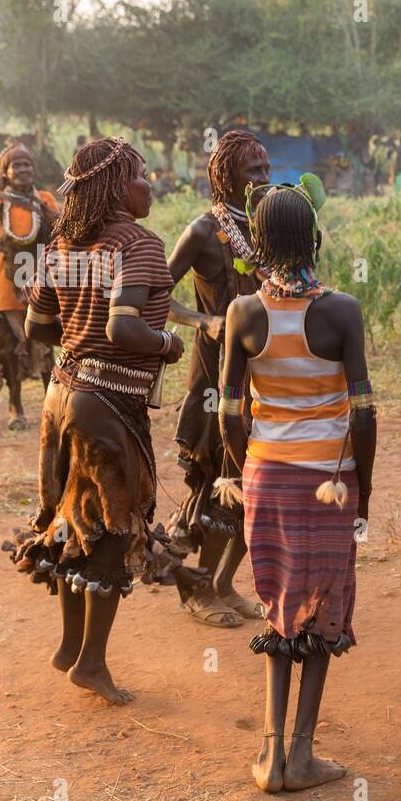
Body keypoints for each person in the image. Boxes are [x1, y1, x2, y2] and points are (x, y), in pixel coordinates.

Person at [5, 137, 199, 706]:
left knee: (70, 520)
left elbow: (36, 328)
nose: (150, 183)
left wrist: (76, 334)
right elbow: (123, 329)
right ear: (117, 186)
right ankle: (90, 664)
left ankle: (70, 646)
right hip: (106, 406)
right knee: (112, 530)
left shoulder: (64, 241)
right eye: (142, 174)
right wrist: (167, 343)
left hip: (61, 398)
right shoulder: (139, 244)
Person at [219, 176, 376, 793]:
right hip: (328, 483)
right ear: (314, 238)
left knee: (278, 609)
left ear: (256, 243)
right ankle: (303, 754)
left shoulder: (243, 313)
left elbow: (230, 411)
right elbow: (362, 411)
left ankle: (270, 755)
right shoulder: (341, 311)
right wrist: (363, 482)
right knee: (320, 611)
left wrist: (248, 465)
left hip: (266, 477)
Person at [165, 129, 271, 629]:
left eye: (267, 171)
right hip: (214, 376)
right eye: (254, 173)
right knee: (217, 481)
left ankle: (226, 582)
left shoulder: (267, 228)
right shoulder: (203, 232)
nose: (264, 180)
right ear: (226, 178)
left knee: (260, 480)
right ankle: (200, 590)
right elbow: (158, 296)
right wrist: (202, 320)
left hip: (262, 374)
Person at [0, 142, 59, 429]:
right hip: (5, 288)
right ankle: (16, 408)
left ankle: (52, 409)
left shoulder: (46, 200)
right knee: (11, 348)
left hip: (43, 287)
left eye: (27, 165)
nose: (23, 170)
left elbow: (61, 243)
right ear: (5, 173)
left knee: (47, 347)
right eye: (16, 166)